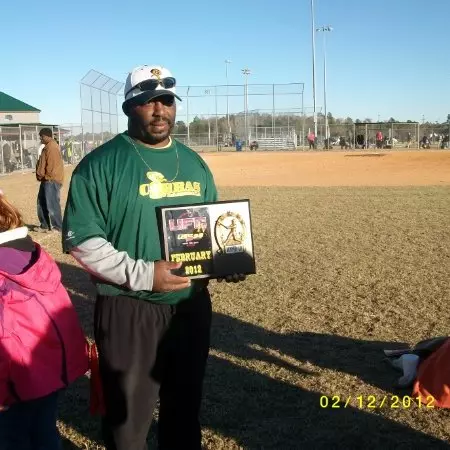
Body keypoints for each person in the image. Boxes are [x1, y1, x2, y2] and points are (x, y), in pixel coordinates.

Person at [62, 64, 246, 450]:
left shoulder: (195, 162)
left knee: (183, 415)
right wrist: (145, 275)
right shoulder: (100, 164)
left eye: (166, 101)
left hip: (190, 306)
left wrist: (225, 259)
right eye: (148, 102)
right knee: (128, 424)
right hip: (130, 308)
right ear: (129, 107)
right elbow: (83, 242)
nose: (159, 110)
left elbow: (212, 226)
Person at [0, 188, 88, 450]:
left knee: (12, 438)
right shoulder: (30, 251)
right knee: (43, 431)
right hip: (50, 372)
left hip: (14, 386)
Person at [35, 128, 64, 233]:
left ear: (47, 136)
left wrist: (47, 177)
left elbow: (52, 166)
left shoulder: (52, 147)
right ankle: (44, 225)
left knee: (52, 203)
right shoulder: (47, 147)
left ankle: (57, 226)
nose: (40, 138)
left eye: (42, 136)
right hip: (46, 180)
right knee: (41, 202)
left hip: (51, 180)